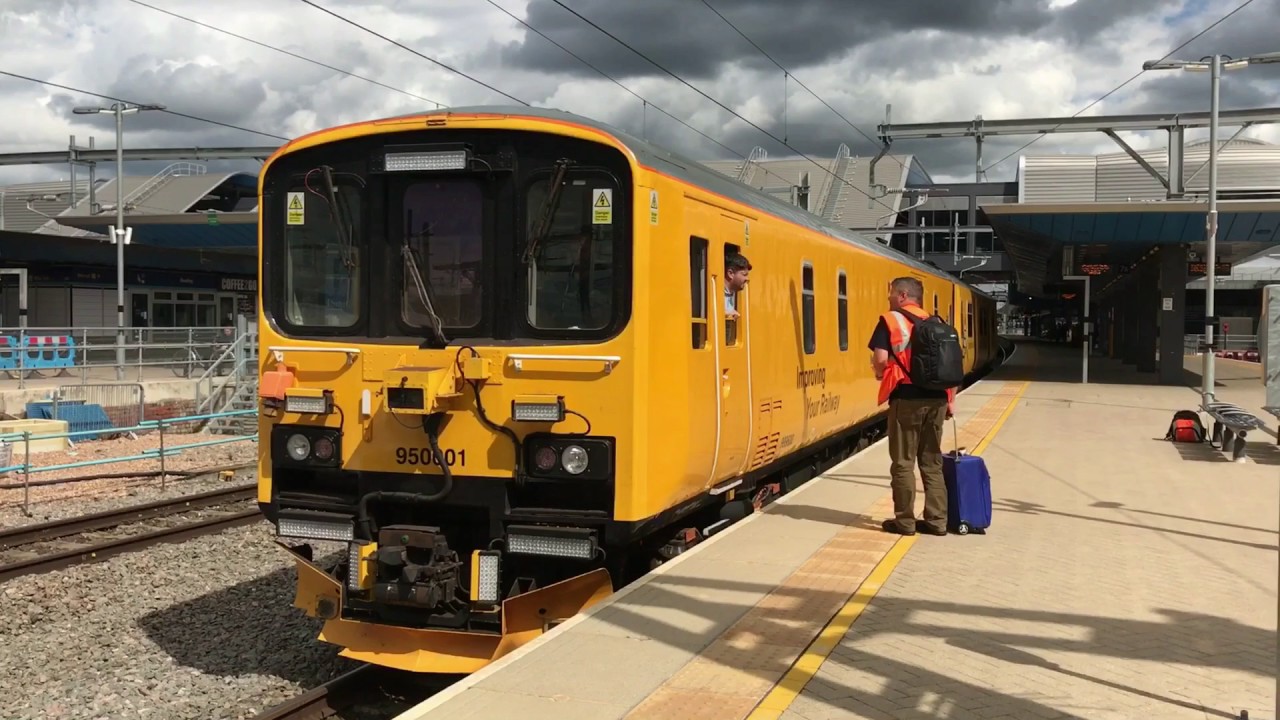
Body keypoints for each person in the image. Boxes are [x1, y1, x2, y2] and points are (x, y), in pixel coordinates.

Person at [867, 277, 956, 536]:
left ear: (903, 295)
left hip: (906, 398)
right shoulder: (937, 323)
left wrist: (879, 371)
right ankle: (937, 521)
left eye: (892, 294)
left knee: (903, 463)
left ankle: (905, 522)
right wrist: (950, 401)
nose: (890, 299)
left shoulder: (891, 320)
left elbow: (881, 359)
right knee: (932, 462)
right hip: (938, 399)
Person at [724, 253, 751, 320]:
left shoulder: (730, 294)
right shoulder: (715, 293)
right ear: (730, 273)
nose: (747, 279)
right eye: (744, 274)